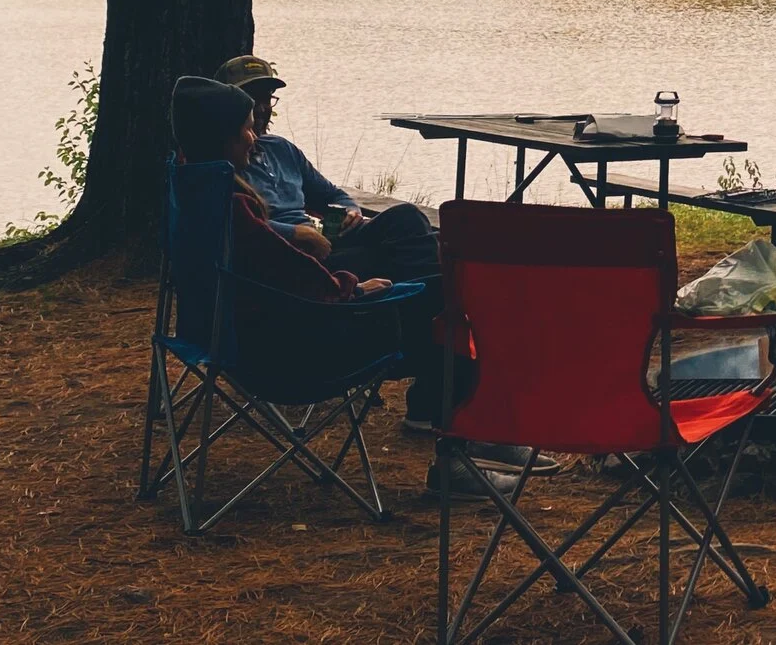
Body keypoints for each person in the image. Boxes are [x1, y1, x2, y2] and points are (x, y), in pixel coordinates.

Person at [168, 75, 551, 496]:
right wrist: (353, 290)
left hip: (238, 336)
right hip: (289, 348)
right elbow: (290, 273)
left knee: (422, 262)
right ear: (220, 136)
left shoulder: (196, 193)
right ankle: (462, 449)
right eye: (244, 127)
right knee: (445, 300)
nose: (253, 138)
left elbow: (283, 272)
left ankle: (473, 429)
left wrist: (344, 278)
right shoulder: (235, 210)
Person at [212, 55, 440, 286]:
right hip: (288, 259)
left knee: (407, 218)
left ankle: (430, 301)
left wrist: (350, 212)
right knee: (398, 257)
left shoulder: (281, 149)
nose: (261, 109)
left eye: (266, 99)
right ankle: (433, 306)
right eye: (252, 99)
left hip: (322, 243)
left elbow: (332, 195)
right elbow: (233, 224)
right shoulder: (222, 163)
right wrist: (297, 233)